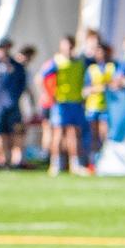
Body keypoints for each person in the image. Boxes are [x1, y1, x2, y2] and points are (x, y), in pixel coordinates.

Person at [42, 36, 87, 175]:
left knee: (74, 133)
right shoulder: (56, 62)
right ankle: (55, 164)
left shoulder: (80, 62)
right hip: (61, 103)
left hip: (76, 102)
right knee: (58, 133)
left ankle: (74, 164)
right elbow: (42, 77)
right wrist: (51, 95)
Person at [0, 38, 28, 169]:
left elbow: (22, 84)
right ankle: (2, 160)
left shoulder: (17, 66)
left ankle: (16, 160)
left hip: (13, 105)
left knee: (16, 132)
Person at [82, 33, 115, 173]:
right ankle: (93, 163)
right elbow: (84, 90)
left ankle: (105, 162)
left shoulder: (113, 67)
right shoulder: (91, 69)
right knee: (93, 137)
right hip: (93, 106)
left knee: (105, 136)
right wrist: (98, 88)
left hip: (107, 107)